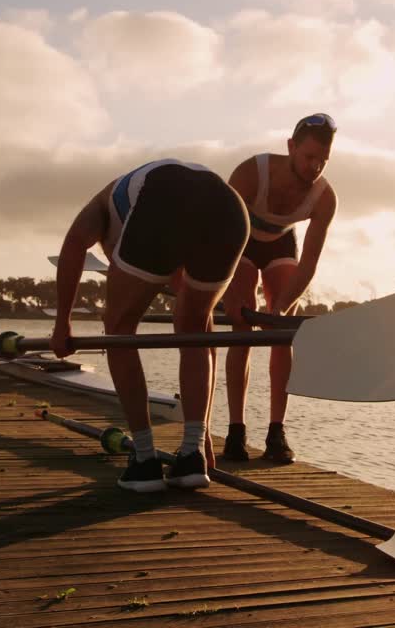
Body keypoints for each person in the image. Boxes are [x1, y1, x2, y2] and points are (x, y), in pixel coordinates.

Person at [51, 158, 248, 492]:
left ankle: (144, 460)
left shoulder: (103, 203)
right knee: (196, 328)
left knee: (118, 327)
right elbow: (204, 333)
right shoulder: (138, 195)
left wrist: (62, 325)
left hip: (167, 198)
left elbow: (73, 244)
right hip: (230, 209)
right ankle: (192, 454)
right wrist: (203, 431)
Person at [221, 113, 338, 464]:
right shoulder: (250, 173)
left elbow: (309, 265)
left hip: (280, 245)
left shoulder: (324, 198)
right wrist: (226, 291)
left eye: (323, 160)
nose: (315, 166)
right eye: (308, 157)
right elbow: (219, 236)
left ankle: (276, 432)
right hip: (238, 244)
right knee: (242, 330)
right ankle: (236, 431)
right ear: (291, 147)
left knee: (282, 329)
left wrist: (281, 306)